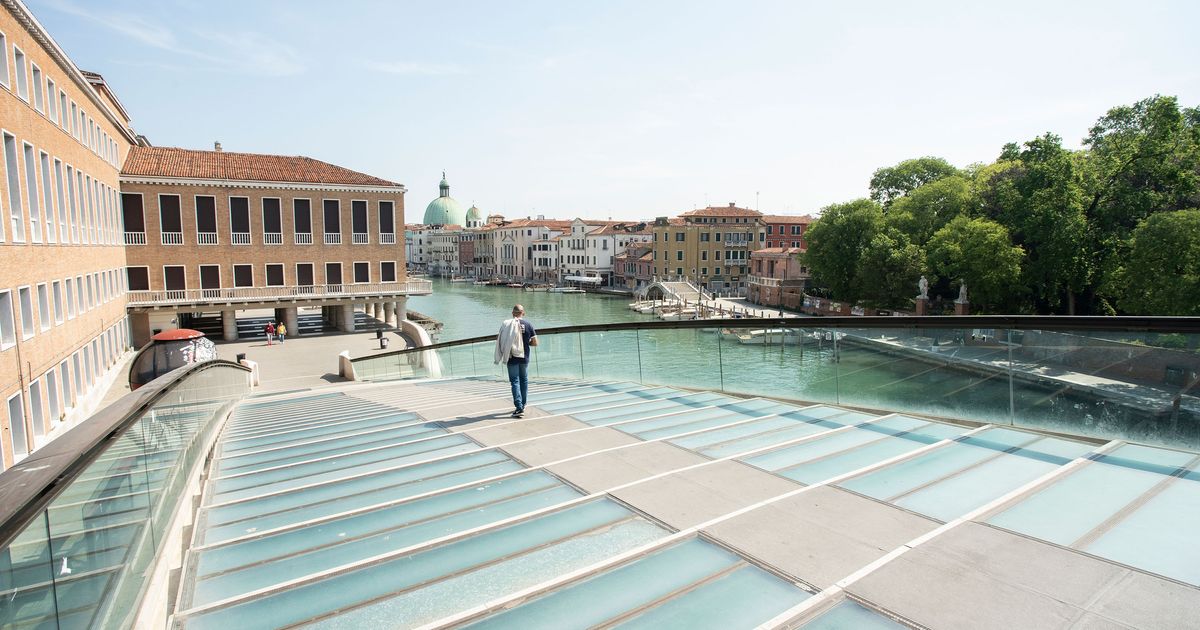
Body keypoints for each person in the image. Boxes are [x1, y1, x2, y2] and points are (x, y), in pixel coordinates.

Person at [494, 304, 537, 418]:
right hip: (525, 357)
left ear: (513, 313)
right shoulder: (528, 325)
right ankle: (523, 404)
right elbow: (535, 342)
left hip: (512, 356)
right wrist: (525, 343)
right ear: (523, 313)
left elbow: (501, 340)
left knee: (515, 381)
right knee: (524, 380)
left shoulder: (507, 325)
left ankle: (518, 407)